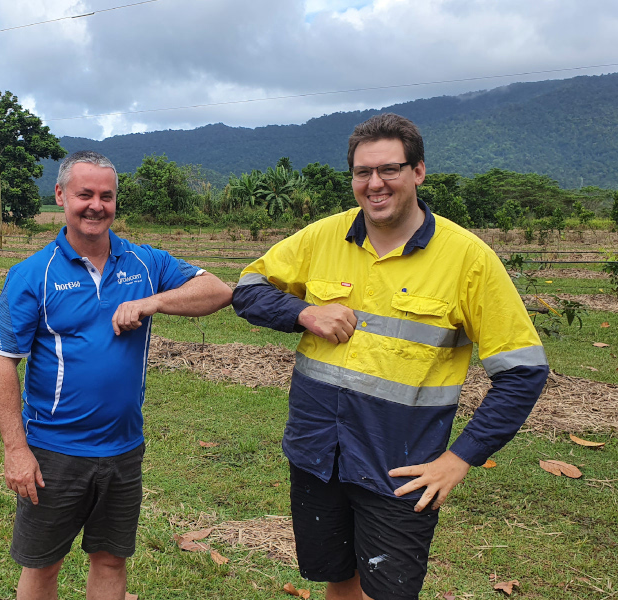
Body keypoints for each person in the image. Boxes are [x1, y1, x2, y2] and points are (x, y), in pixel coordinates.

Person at [232, 113, 548, 600]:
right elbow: (248, 290)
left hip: (400, 470)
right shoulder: (322, 237)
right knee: (336, 577)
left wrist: (460, 459)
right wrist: (304, 313)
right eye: (363, 172)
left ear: (418, 172)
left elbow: (523, 371)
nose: (374, 184)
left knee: (390, 592)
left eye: (389, 170)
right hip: (317, 454)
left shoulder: (467, 258)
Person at [0, 150, 232, 600]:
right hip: (53, 452)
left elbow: (217, 290)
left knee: (111, 558)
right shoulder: (31, 275)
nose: (95, 205)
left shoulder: (144, 263)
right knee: (43, 566)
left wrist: (152, 301)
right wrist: (15, 449)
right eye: (84, 194)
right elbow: (2, 358)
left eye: (106, 195)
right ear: (61, 196)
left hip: (123, 450)